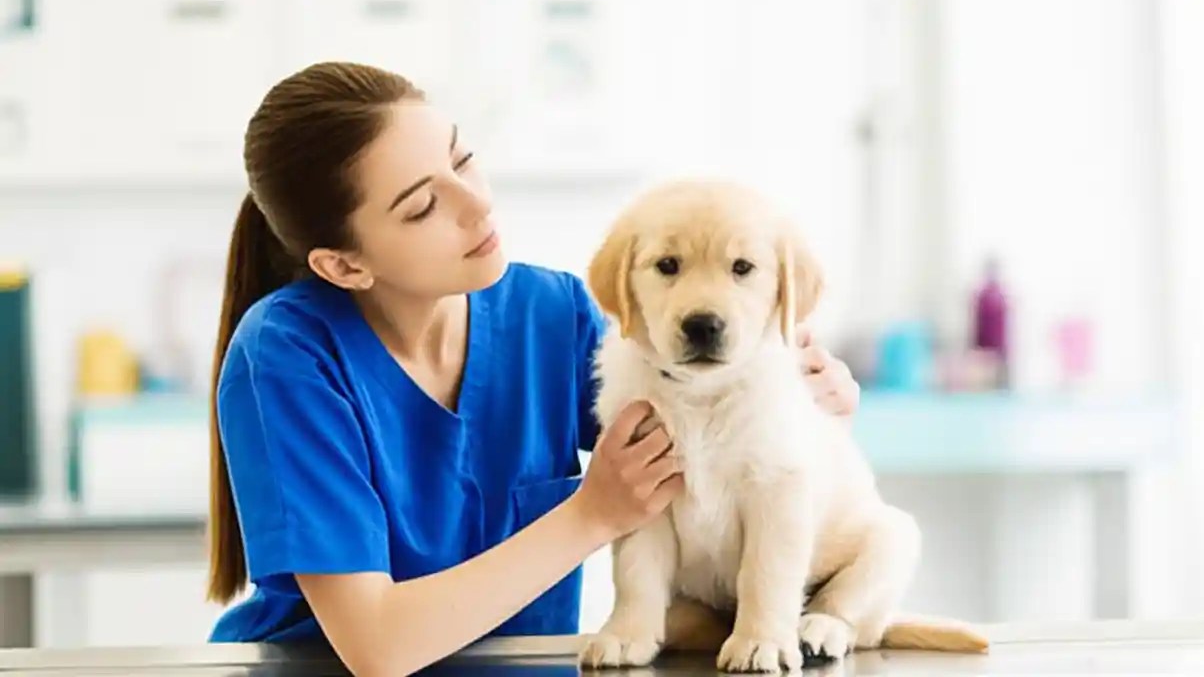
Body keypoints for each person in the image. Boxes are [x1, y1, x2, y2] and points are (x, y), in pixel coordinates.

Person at [205, 61, 861, 676]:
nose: (477, 204)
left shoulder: (552, 313)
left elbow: (700, 434)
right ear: (345, 265)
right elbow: (377, 647)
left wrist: (792, 391)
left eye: (462, 158)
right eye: (423, 205)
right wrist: (592, 514)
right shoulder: (288, 359)